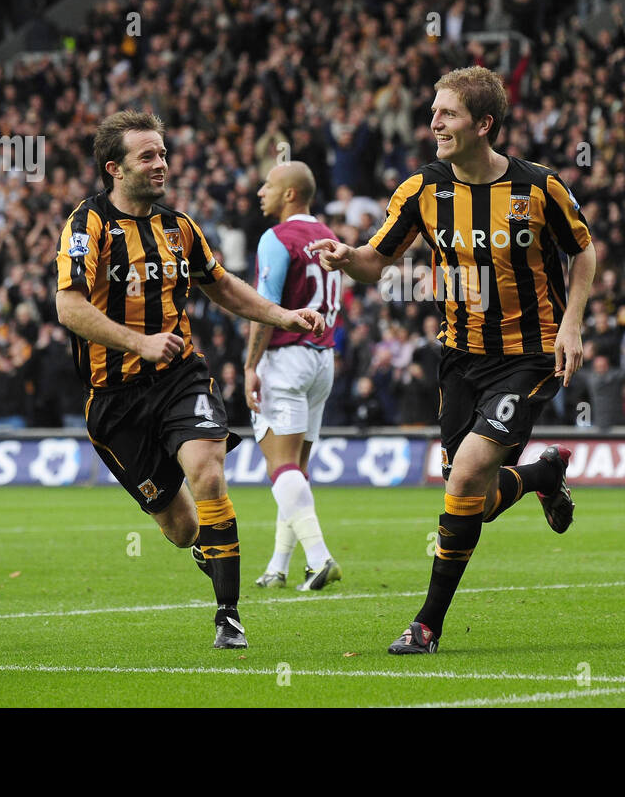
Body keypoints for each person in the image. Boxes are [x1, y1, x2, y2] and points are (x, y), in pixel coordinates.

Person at [310, 67, 596, 655]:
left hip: (529, 355)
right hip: (460, 359)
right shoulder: (423, 190)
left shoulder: (539, 187)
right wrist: (345, 256)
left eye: (447, 114)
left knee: (465, 478)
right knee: (479, 500)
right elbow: (376, 260)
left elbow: (584, 250)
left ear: (484, 125)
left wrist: (573, 324)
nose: (433, 122)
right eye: (433, 111)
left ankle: (427, 624)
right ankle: (542, 476)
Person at [55, 111, 323, 649]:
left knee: (208, 476)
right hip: (114, 401)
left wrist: (281, 315)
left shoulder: (179, 227)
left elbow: (221, 286)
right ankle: (214, 551)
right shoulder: (87, 226)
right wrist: (138, 342)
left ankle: (229, 616)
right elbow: (68, 306)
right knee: (181, 529)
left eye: (163, 153)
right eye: (147, 157)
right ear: (114, 168)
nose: (162, 164)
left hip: (180, 378)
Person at [245, 161, 343, 592]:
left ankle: (320, 558)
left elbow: (264, 309)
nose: (260, 191)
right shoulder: (330, 238)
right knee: (297, 471)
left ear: (289, 194)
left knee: (280, 466)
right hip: (323, 360)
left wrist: (250, 365)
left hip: (285, 357)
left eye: (268, 184)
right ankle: (279, 566)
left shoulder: (276, 239)